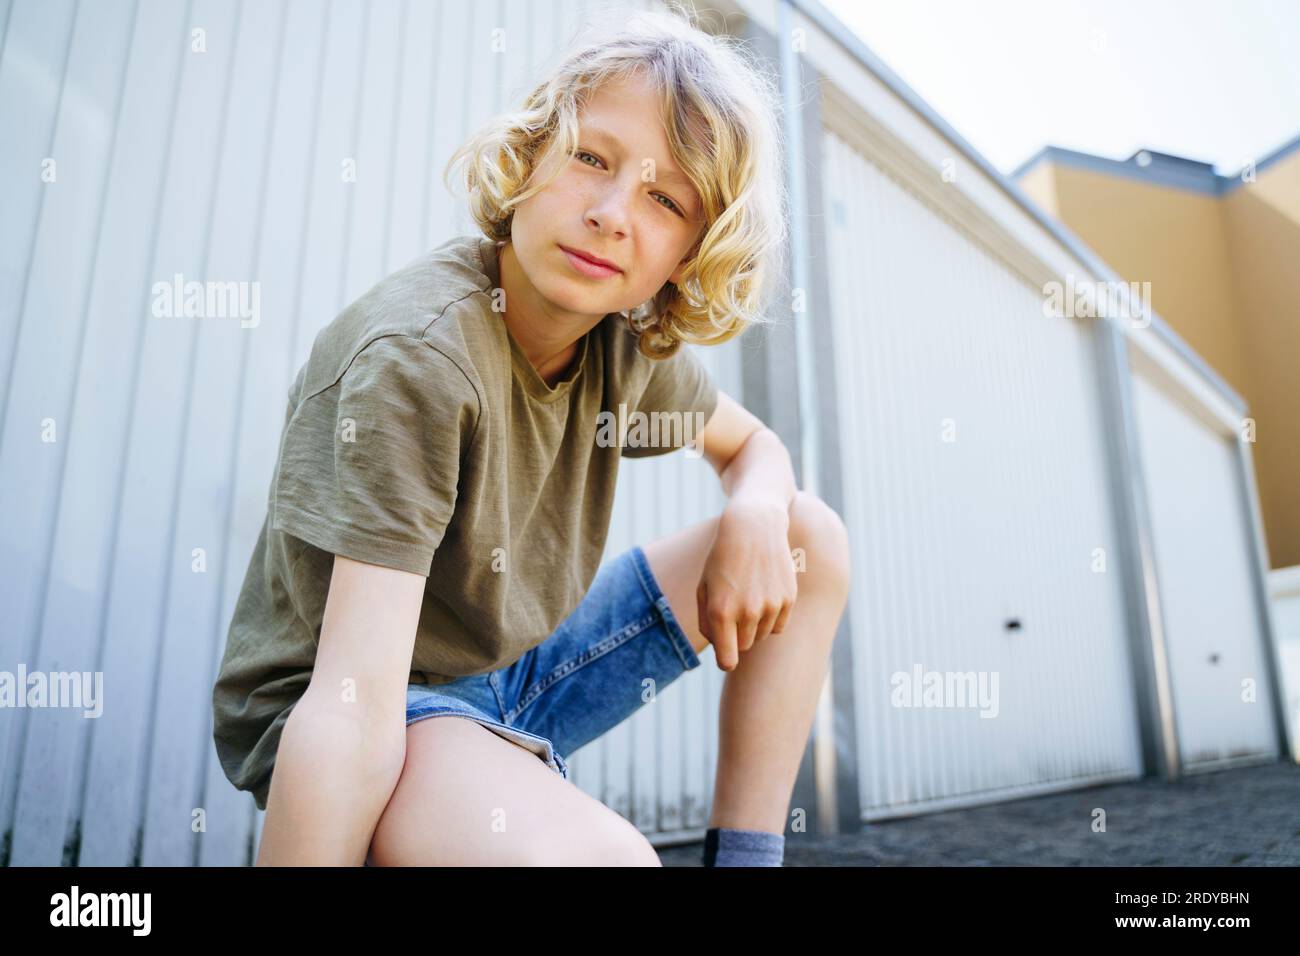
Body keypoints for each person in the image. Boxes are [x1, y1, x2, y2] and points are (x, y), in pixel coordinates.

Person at [211, 3, 850, 867]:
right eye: (592, 157)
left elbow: (754, 450)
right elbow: (351, 708)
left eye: (666, 199)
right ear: (531, 153)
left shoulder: (620, 346)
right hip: (370, 700)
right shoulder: (421, 358)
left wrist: (756, 509)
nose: (613, 212)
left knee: (808, 537)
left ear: (688, 256)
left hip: (512, 679)